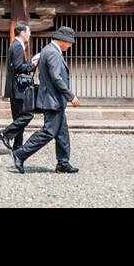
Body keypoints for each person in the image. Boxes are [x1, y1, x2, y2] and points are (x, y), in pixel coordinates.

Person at [12, 26, 80, 174]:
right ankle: (20, 154)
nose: (69, 46)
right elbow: (56, 78)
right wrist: (70, 95)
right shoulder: (53, 53)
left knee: (62, 132)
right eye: (69, 43)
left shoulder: (48, 50)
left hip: (53, 99)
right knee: (49, 131)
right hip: (53, 99)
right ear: (63, 40)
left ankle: (63, 162)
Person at [0, 22, 37, 151]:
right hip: (18, 88)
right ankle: (6, 133)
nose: (30, 34)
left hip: (14, 87)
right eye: (29, 32)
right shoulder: (18, 46)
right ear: (22, 33)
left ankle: (17, 146)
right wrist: (33, 65)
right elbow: (19, 67)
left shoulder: (15, 45)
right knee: (27, 115)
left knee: (18, 118)